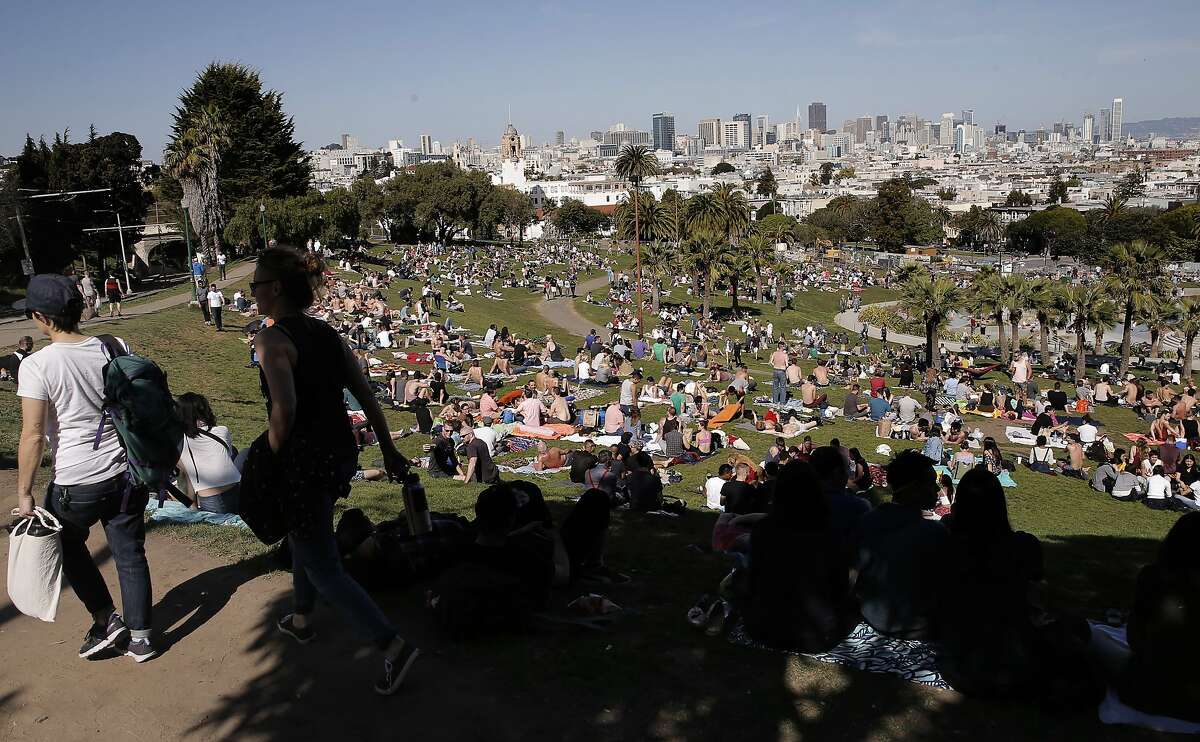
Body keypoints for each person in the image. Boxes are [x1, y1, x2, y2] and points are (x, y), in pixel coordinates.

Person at [250, 246, 418, 695]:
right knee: (309, 531)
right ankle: (302, 618)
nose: (251, 292)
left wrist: (265, 456)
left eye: (255, 284)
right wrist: (386, 451)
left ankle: (393, 647)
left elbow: (283, 411)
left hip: (302, 460)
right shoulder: (327, 334)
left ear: (276, 288)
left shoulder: (270, 339)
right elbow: (365, 394)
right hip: (339, 454)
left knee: (324, 563)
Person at [14, 274, 155, 661]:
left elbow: (32, 435)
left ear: (41, 316)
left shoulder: (37, 365)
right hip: (126, 472)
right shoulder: (114, 345)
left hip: (76, 481)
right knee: (130, 553)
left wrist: (25, 493)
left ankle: (106, 619)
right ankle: (142, 638)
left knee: (67, 544)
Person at [937, 469, 1098, 705]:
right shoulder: (1022, 546)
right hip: (1010, 666)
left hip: (958, 664)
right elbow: (1038, 597)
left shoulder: (947, 543)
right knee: (1077, 627)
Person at [742, 460, 857, 652]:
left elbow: (753, 578)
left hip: (763, 628)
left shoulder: (764, 528)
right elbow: (839, 585)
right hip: (816, 635)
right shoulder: (828, 533)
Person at [1104, 512, 1200, 722]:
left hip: (1146, 690)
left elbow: (1135, 639)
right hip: (1190, 695)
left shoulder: (1153, 578)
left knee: (1096, 642)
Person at [853, 449, 949, 640]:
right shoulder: (934, 533)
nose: (936, 491)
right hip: (916, 625)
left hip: (871, 615)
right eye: (930, 483)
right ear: (914, 487)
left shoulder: (868, 520)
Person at [175, 393, 241, 514]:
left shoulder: (181, 440)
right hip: (238, 493)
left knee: (185, 468)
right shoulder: (222, 430)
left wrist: (192, 507)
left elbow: (187, 477)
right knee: (240, 452)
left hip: (213, 501)